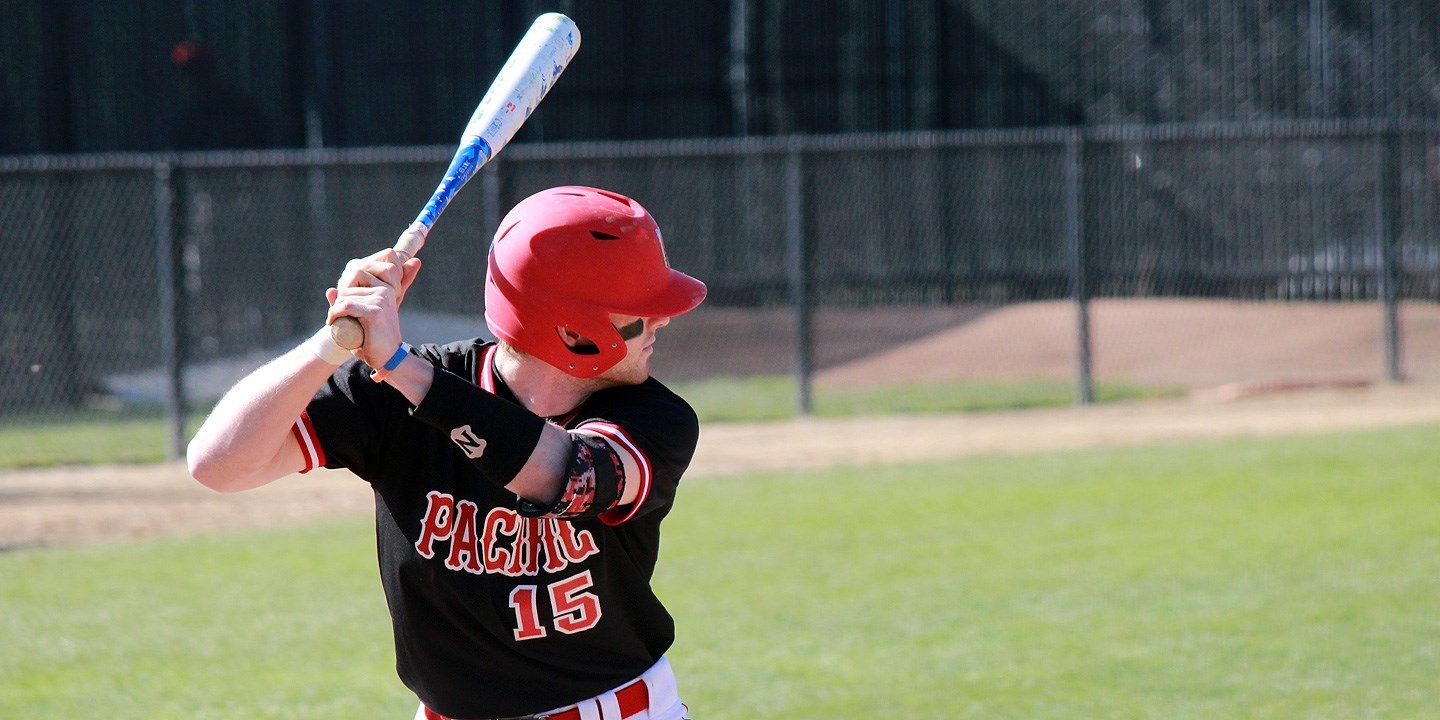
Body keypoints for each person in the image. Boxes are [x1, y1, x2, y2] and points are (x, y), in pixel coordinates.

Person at [187, 185, 707, 720]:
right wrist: (331, 343)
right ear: (574, 332)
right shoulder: (393, 394)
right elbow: (218, 465)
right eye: (639, 311)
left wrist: (400, 366)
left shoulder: (654, 418)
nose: (662, 320)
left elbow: (569, 476)